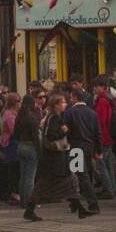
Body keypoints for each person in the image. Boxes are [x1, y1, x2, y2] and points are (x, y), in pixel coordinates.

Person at [22, 92, 90, 222]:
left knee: (70, 181)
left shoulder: (54, 117)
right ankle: (29, 210)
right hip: (54, 158)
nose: (65, 104)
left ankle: (80, 208)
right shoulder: (54, 119)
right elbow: (51, 136)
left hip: (56, 158)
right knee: (49, 184)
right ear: (56, 105)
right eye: (63, 102)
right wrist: (63, 131)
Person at [63, 86, 102, 213]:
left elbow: (66, 131)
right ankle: (75, 203)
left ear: (75, 98)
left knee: (79, 176)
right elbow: (98, 133)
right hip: (89, 147)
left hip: (76, 147)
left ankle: (92, 203)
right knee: (84, 175)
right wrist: (99, 151)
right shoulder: (92, 113)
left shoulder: (70, 113)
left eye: (71, 97)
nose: (70, 100)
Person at [92, 77, 116, 198]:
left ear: (102, 87)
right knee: (109, 164)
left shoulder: (102, 101)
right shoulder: (109, 99)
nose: (94, 88)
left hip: (103, 137)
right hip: (109, 136)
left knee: (101, 164)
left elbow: (101, 121)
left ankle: (108, 190)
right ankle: (113, 188)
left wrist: (97, 138)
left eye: (96, 86)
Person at [14, 91, 41, 210]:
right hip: (31, 147)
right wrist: (39, 151)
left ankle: (23, 201)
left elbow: (15, 133)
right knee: (30, 177)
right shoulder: (32, 118)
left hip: (21, 146)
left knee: (23, 175)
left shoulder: (19, 116)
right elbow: (36, 137)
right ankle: (30, 202)